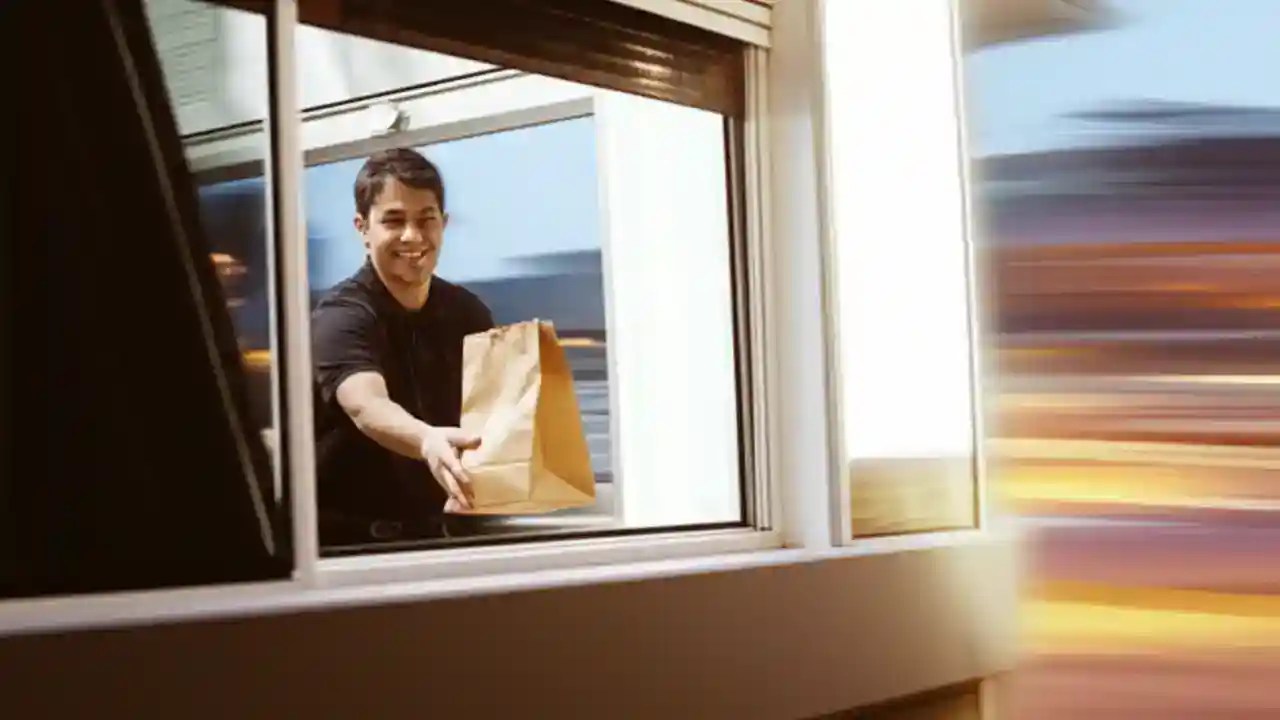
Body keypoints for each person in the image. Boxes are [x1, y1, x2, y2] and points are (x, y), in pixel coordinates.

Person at [311, 148, 495, 546]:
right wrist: (427, 440)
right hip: (353, 545)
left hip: (445, 536)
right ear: (363, 227)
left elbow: (493, 412)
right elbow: (367, 405)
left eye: (425, 220)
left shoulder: (468, 312)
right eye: (393, 221)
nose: (412, 236)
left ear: (443, 224)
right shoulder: (341, 314)